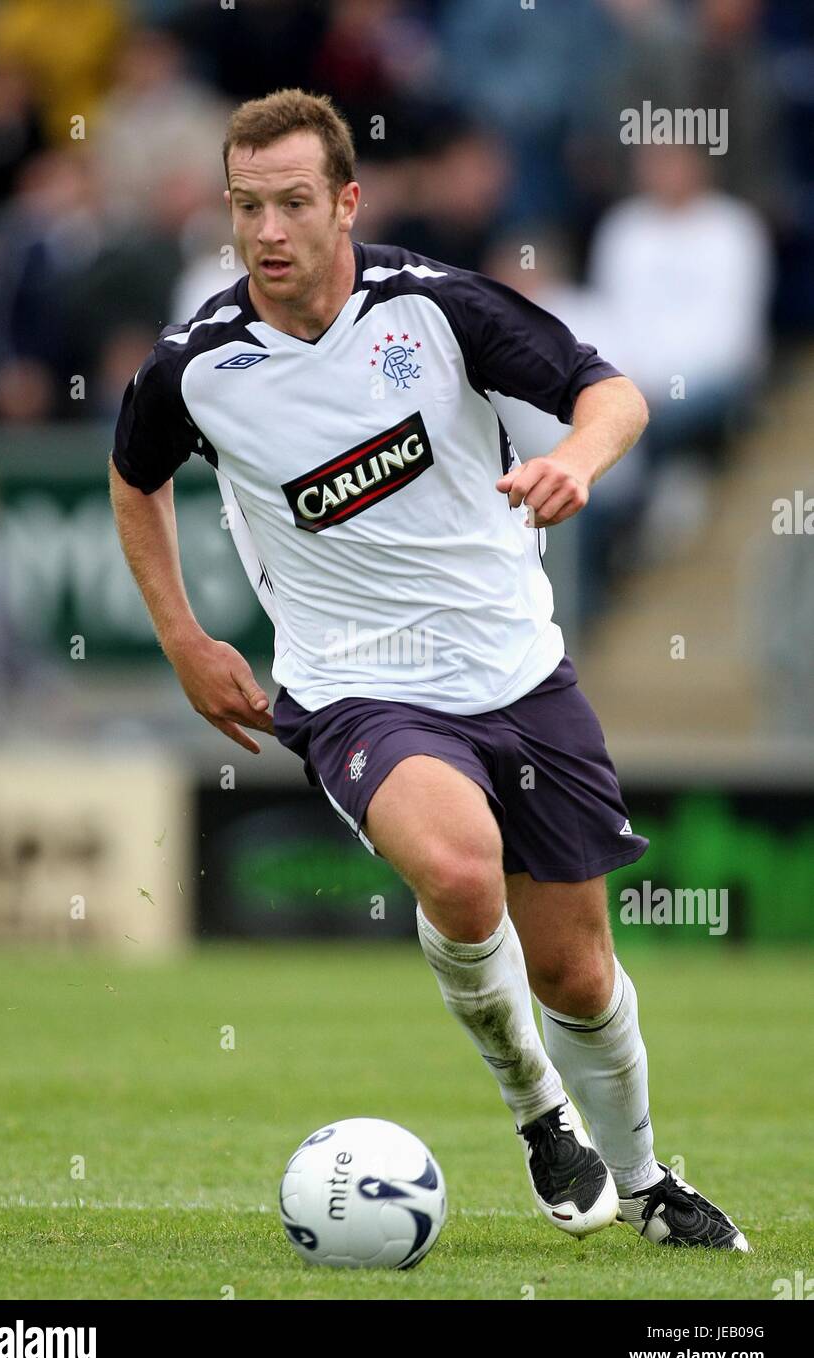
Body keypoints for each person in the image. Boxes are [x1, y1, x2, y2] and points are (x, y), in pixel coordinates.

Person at [108, 89, 748, 1252]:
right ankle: (536, 1117)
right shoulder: (196, 365)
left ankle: (647, 1179)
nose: (268, 230)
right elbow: (132, 476)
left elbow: (610, 392)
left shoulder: (435, 307)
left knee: (579, 976)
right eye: (246, 205)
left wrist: (575, 462)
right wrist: (185, 638)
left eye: (294, 202)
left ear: (345, 201)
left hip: (514, 670)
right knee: (459, 873)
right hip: (356, 686)